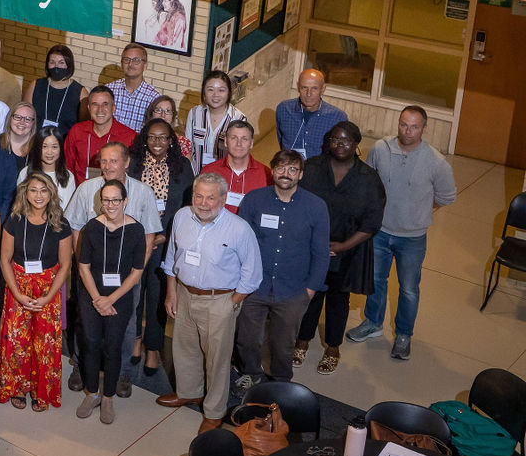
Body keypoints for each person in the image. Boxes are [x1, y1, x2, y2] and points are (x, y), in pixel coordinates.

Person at [156, 173, 262, 434]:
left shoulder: (239, 228)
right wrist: (172, 292)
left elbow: (253, 274)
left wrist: (232, 303)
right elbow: (171, 258)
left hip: (220, 300)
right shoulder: (181, 217)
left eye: (210, 197)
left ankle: (215, 411)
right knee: (184, 349)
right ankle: (189, 392)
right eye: (198, 196)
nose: (203, 203)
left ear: (223, 199)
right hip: (184, 293)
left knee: (217, 359)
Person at [349, 106, 456, 360]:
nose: (407, 131)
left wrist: (418, 213)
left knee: (408, 288)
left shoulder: (436, 162)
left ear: (424, 128)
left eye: (414, 126)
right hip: (380, 232)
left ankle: (404, 334)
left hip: (413, 238)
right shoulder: (380, 150)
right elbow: (368, 183)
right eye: (403, 125)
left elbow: (446, 196)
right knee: (375, 281)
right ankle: (373, 323)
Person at [294, 120, 386, 376]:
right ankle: (302, 342)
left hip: (348, 251)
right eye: (334, 139)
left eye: (345, 140)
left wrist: (344, 245)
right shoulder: (312, 167)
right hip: (311, 247)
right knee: (310, 296)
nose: (339, 144)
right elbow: (297, 202)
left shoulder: (368, 178)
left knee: (338, 299)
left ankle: (332, 348)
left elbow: (372, 221)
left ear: (356, 144)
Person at [235, 150, 329, 392]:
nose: (285, 174)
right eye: (281, 168)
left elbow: (320, 253)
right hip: (254, 286)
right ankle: (251, 373)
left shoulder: (316, 207)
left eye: (292, 169)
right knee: (247, 339)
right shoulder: (254, 200)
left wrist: (309, 290)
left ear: (300, 175)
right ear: (273, 170)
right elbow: (240, 243)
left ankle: (280, 383)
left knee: (283, 344)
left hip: (293, 290)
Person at [0, 172, 72, 410]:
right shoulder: (14, 221)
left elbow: (66, 264)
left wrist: (49, 297)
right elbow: (4, 260)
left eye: (44, 190)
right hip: (18, 287)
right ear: (25, 193)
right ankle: (17, 388)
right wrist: (17, 294)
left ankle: (41, 391)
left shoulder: (61, 223)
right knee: (17, 340)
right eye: (33, 190)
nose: (38, 196)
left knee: (44, 344)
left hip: (48, 289)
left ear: (51, 193)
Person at [126, 118, 195, 380]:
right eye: (152, 137)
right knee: (133, 291)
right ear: (145, 138)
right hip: (134, 238)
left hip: (165, 241)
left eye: (163, 137)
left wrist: (165, 235)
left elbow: (187, 205)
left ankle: (153, 347)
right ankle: (135, 338)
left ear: (171, 140)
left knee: (157, 295)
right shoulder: (133, 163)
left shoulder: (182, 166)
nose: (157, 142)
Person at [74, 180, 147, 424]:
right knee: (92, 342)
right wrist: (97, 299)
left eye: (116, 200)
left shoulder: (136, 230)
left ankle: (108, 397)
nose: (111, 205)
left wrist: (110, 299)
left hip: (120, 296)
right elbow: (83, 267)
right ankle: (92, 393)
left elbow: (136, 273)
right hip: (91, 293)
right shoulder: (92, 228)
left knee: (113, 346)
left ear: (125, 201)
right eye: (106, 200)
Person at [64, 87, 137, 184]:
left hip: (113, 196)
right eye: (95, 104)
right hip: (80, 193)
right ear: (89, 108)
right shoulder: (77, 131)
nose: (100, 110)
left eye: (105, 104)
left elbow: (132, 174)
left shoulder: (130, 137)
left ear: (113, 108)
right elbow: (68, 167)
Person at [275, 68, 349, 159]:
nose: (309, 94)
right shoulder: (283, 109)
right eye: (304, 88)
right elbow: (281, 139)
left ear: (323, 89)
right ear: (298, 87)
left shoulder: (337, 118)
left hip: (320, 171)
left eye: (314, 88)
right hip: (290, 170)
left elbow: (341, 154)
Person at [25, 44, 85, 142]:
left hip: (64, 149)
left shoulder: (80, 92)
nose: (56, 66)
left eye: (61, 62)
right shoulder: (35, 85)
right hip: (35, 145)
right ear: (47, 64)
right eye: (52, 62)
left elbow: (83, 128)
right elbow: (25, 118)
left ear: (69, 65)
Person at [187, 70, 245, 170]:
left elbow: (240, 155)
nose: (215, 95)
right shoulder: (194, 113)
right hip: (196, 176)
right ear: (204, 92)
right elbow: (188, 148)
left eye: (221, 90)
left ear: (228, 93)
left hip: (223, 178)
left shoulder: (239, 119)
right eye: (210, 90)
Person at [211, 120, 271, 213]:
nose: (239, 144)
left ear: (251, 143)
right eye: (234, 138)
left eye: (244, 139)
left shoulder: (266, 175)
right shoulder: (210, 172)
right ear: (226, 142)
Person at [16, 125, 75, 214]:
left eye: (54, 147)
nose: (49, 152)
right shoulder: (25, 173)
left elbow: (69, 211)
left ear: (60, 149)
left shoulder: (68, 176)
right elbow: (20, 205)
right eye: (44, 146)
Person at [106, 43, 160, 132]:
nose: (131, 64)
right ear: (122, 63)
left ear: (145, 65)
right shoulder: (109, 90)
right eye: (126, 60)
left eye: (136, 60)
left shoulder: (154, 97)